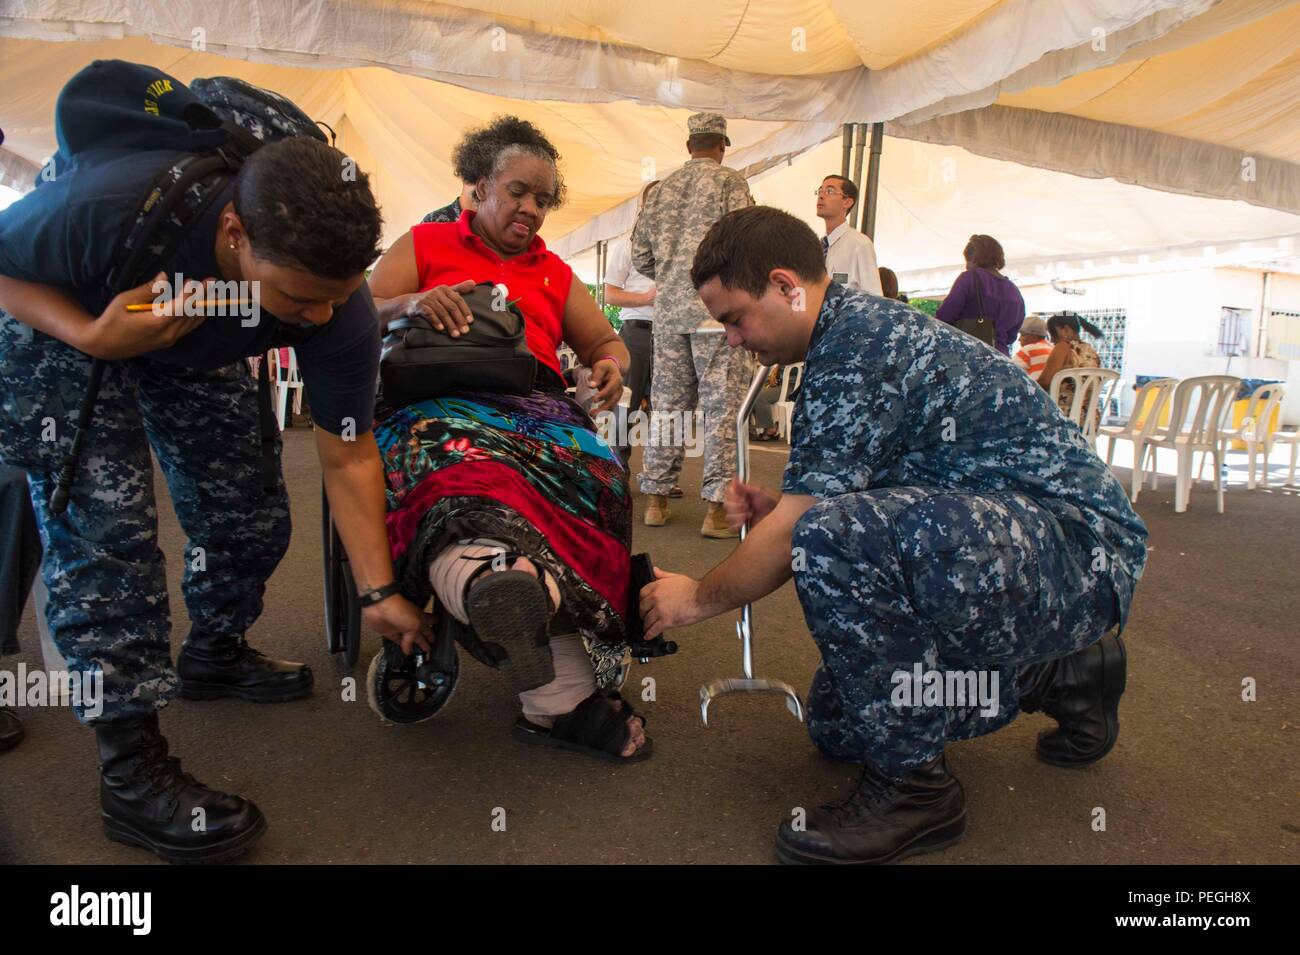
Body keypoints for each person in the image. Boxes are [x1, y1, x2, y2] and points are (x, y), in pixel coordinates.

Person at [0, 62, 432, 863]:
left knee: (248, 507)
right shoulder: (110, 204)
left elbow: (348, 456)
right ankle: (130, 770)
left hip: (186, 340)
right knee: (108, 538)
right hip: (70, 321)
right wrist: (91, 335)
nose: (318, 317)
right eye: (298, 298)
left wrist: (380, 592)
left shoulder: (341, 312)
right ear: (235, 232)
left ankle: (215, 651)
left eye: (334, 298)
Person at [639, 207, 1148, 865]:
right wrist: (788, 509)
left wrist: (696, 598)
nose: (732, 338)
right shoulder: (842, 334)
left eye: (734, 317)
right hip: (1025, 546)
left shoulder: (858, 342)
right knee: (840, 719)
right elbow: (857, 492)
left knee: (827, 538)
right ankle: (1053, 670)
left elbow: (816, 528)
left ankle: (916, 790)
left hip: (1081, 552)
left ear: (788, 285)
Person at [368, 117, 650, 762]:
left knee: (600, 475)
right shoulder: (427, 241)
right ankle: (537, 658)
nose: (531, 208)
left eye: (543, 199)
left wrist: (610, 364)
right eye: (518, 191)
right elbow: (354, 309)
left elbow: (603, 341)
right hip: (433, 402)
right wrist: (411, 303)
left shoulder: (553, 270)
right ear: (478, 187)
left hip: (535, 407)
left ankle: (508, 588)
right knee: (467, 470)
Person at [632, 112, 755, 538]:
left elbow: (641, 258)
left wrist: (672, 275)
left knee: (667, 407)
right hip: (716, 314)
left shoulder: (661, 191)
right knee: (722, 410)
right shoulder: (729, 182)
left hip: (668, 316)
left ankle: (656, 500)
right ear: (722, 145)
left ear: (689, 146)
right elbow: (745, 242)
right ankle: (716, 511)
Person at [605, 180, 659, 463]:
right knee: (626, 402)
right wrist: (646, 298)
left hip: (671, 333)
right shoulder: (627, 244)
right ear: (643, 205)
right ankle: (616, 466)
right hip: (637, 330)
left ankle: (662, 475)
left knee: (669, 406)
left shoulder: (680, 248)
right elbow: (610, 294)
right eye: (655, 199)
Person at [935, 234, 1025, 355]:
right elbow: (1012, 336)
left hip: (970, 355)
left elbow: (944, 316)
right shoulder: (1014, 290)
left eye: (967, 260)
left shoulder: (969, 278)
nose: (966, 266)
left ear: (974, 259)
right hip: (1002, 357)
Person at [815, 175, 883, 295]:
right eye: (820, 190)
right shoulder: (817, 247)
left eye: (829, 191)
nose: (821, 196)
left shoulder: (860, 244)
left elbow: (875, 299)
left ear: (847, 202)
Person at [1038, 313, 1105, 420]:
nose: (1051, 340)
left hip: (1062, 418)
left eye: (1052, 334)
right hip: (1089, 420)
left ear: (1066, 329)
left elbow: (1044, 382)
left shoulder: (1064, 347)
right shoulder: (1091, 351)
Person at [1013, 314, 1054, 381]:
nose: (1019, 339)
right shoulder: (1052, 347)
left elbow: (1009, 370)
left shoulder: (1028, 350)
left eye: (1022, 335)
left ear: (1034, 337)